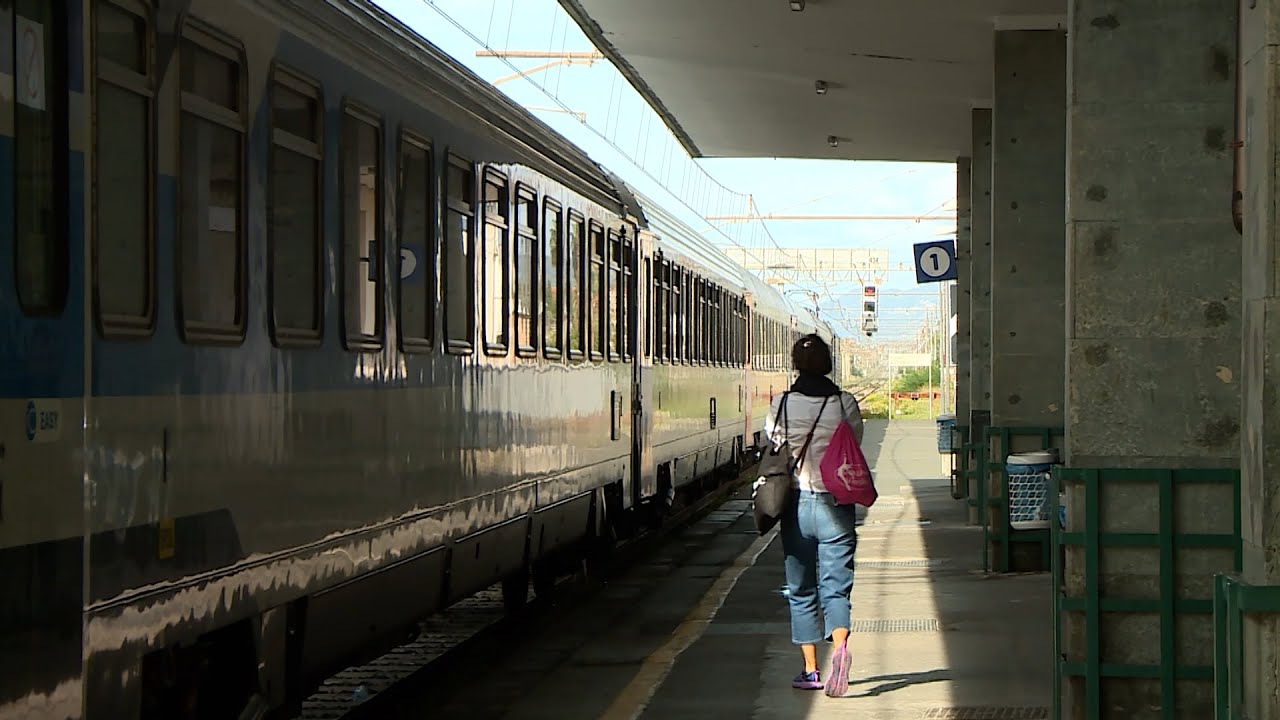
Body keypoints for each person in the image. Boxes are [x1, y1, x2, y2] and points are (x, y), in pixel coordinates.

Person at [762, 333, 864, 697]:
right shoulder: (844, 402)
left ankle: (810, 669)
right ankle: (840, 649)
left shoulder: (782, 404)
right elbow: (856, 440)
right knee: (836, 585)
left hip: (796, 504)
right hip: (836, 503)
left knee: (801, 587)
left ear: (796, 364)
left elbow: (772, 440)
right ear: (829, 363)